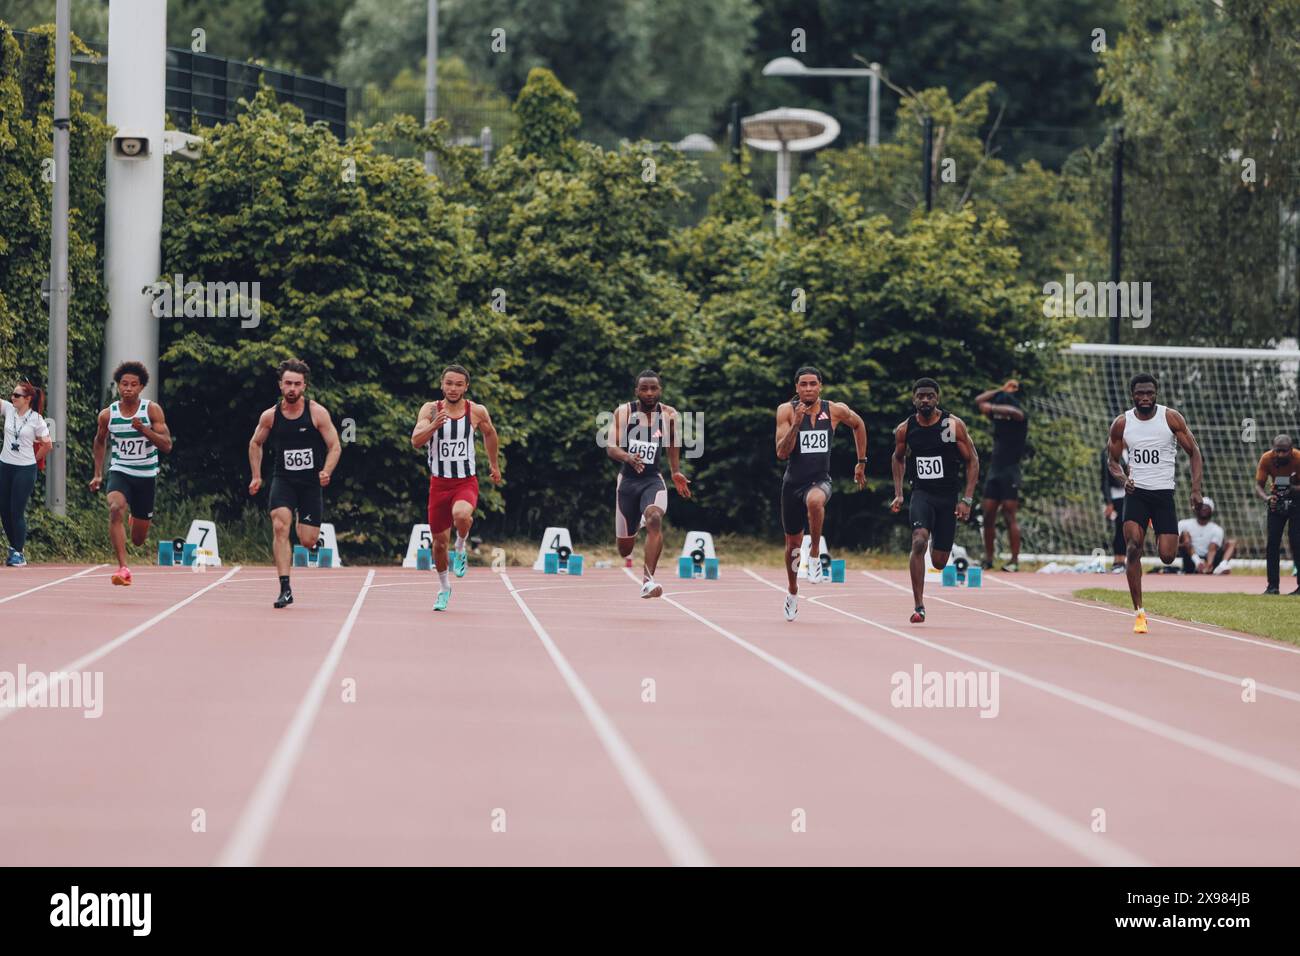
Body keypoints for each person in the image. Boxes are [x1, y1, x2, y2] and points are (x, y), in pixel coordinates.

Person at [1107, 373, 1204, 633]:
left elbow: (1194, 452)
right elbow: (1112, 461)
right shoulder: (1122, 423)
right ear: (1133, 395)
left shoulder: (1170, 418)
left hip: (1163, 495)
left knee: (1168, 556)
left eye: (1150, 393)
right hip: (1136, 493)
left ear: (1156, 393)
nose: (1145, 397)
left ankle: (1157, 535)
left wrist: (1196, 489)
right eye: (1140, 393)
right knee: (1133, 547)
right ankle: (1139, 611)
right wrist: (1123, 477)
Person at [773, 367, 867, 621]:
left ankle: (814, 555)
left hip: (820, 480)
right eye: (803, 384)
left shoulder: (834, 410)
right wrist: (796, 424)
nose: (808, 389)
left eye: (813, 384)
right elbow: (782, 453)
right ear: (796, 388)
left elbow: (858, 425)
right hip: (792, 484)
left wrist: (861, 461)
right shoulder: (785, 411)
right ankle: (792, 592)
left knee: (816, 501)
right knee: (792, 545)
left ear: (820, 386)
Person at [249, 359, 342, 609]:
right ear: (280, 385)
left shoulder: (317, 413)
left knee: (308, 541)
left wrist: (327, 470)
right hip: (284, 480)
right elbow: (255, 443)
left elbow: (334, 445)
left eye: (297, 384)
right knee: (280, 526)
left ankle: (307, 526)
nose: (292, 388)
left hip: (311, 483)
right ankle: (285, 588)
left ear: (305, 386)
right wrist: (256, 475)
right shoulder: (270, 416)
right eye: (288, 383)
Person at [411, 365, 501, 612]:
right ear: (442, 384)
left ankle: (461, 546)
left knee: (462, 515)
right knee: (439, 544)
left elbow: (490, 434)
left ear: (466, 387)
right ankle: (443, 588)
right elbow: (415, 441)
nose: (453, 388)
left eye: (458, 384)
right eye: (449, 383)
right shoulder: (430, 409)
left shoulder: (476, 411)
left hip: (465, 481)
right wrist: (432, 427)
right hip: (438, 484)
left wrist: (494, 464)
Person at [890, 378, 979, 624]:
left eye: (930, 396)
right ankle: (919, 606)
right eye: (921, 396)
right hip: (922, 494)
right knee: (918, 540)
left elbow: (972, 460)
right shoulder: (906, 429)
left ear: (937, 398)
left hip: (947, 497)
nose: (925, 400)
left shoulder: (951, 425)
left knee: (939, 562)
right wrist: (899, 493)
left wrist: (967, 499)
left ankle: (933, 543)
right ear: (914, 399)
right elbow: (897, 458)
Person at [606, 370, 691, 600]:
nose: (649, 393)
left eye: (654, 388)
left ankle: (647, 581)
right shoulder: (624, 412)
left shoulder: (669, 414)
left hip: (653, 480)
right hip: (627, 483)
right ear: (637, 391)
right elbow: (610, 446)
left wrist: (675, 472)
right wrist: (627, 457)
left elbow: (673, 442)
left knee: (655, 518)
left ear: (660, 390)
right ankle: (637, 522)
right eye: (644, 388)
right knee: (625, 549)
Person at [89, 362, 174, 586]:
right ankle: (123, 568)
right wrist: (98, 474)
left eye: (133, 385)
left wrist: (144, 430)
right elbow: (99, 441)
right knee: (115, 508)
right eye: (124, 384)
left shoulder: (151, 410)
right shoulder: (108, 414)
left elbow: (166, 445)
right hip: (121, 470)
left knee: (138, 540)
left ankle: (135, 517)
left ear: (141, 387)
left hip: (146, 475)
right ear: (118, 386)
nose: (128, 388)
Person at [975, 380, 1028, 571]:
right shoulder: (997, 415)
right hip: (994, 471)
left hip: (1010, 471)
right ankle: (988, 558)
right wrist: (1000, 388)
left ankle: (1014, 561)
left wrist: (996, 405)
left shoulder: (1020, 415)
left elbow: (1015, 413)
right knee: (988, 513)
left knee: (1008, 514)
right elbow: (979, 401)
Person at [0, 381, 53, 566]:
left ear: (28, 399)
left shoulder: (36, 419)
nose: (12, 397)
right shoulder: (8, 409)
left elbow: (48, 445)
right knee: (4, 510)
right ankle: (14, 548)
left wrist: (32, 459)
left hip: (25, 469)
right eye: (12, 394)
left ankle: (18, 552)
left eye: (17, 395)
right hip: (5, 465)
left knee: (16, 510)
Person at [1255, 433, 1300, 595]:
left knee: (1297, 542)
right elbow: (1258, 486)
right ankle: (1272, 586)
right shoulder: (1266, 458)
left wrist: (1292, 489)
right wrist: (1268, 498)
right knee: (1272, 544)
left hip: (1297, 501)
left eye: (1284, 451)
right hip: (1276, 501)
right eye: (1278, 451)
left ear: (1291, 450)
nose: (1280, 454)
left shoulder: (1298, 458)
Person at [1177, 497, 1235, 574]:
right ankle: (1198, 563)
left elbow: (1212, 549)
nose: (1204, 509)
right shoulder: (1183, 524)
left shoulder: (1217, 529)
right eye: (1201, 506)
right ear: (1196, 509)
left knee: (1232, 543)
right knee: (1185, 534)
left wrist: (1209, 564)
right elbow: (1175, 544)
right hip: (1189, 558)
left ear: (1212, 510)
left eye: (1207, 507)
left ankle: (1221, 566)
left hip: (1210, 558)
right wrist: (1184, 544)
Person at [1101, 444, 1129, 572]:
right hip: (1116, 495)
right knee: (1120, 527)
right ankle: (1118, 560)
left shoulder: (1133, 449)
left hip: (1131, 493)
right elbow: (1105, 479)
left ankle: (1124, 560)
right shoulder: (1108, 452)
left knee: (1127, 527)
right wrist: (1109, 502)